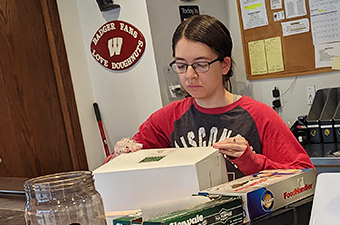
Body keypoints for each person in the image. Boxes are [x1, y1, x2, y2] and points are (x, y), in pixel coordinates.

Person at [114, 15, 313, 176]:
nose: (190, 75)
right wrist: (121, 156)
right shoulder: (167, 119)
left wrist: (253, 162)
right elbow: (116, 169)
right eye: (181, 66)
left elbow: (305, 174)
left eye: (201, 65)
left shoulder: (259, 115)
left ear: (225, 65)